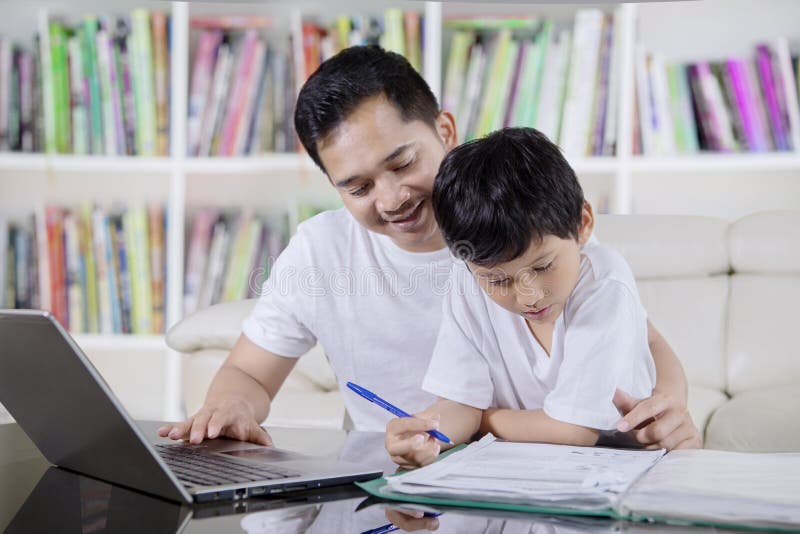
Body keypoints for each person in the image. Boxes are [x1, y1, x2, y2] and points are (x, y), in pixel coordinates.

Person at [158, 46, 700, 452]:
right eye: (358, 187)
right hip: (419, 476)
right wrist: (225, 406)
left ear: (445, 129)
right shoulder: (320, 253)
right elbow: (250, 373)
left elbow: (640, 331)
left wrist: (672, 398)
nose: (392, 199)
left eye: (401, 164)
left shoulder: (518, 216)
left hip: (540, 464)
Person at [385, 127, 691, 469]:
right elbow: (459, 403)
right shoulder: (467, 282)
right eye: (499, 280)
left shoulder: (603, 282)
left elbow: (575, 432)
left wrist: (482, 420)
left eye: (543, 266)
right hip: (532, 470)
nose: (529, 296)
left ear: (583, 224)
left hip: (620, 464)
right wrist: (428, 434)